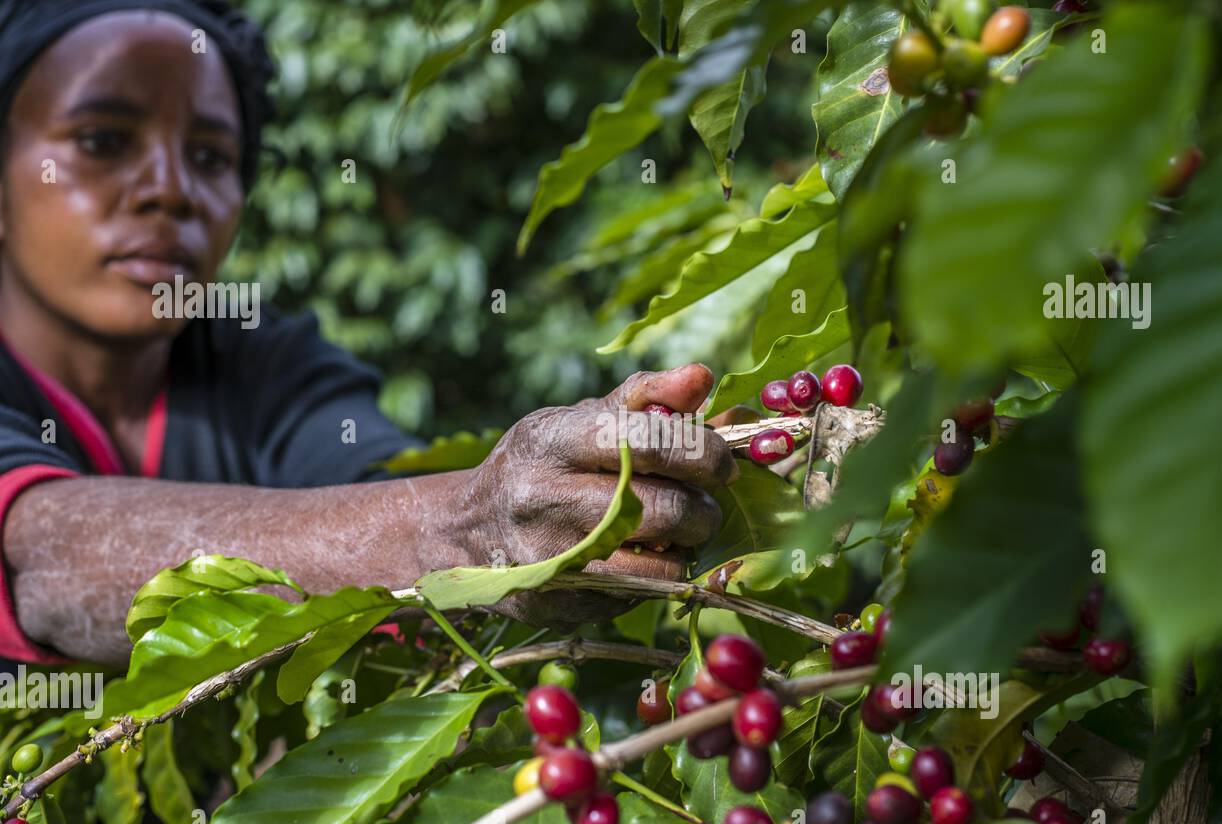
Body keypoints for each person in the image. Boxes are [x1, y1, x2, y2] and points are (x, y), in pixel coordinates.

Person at [0, 0, 737, 669]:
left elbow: (381, 499)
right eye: (102, 140)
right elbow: (44, 559)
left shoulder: (270, 366)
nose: (169, 188)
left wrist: (583, 498)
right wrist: (473, 532)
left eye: (210, 158)